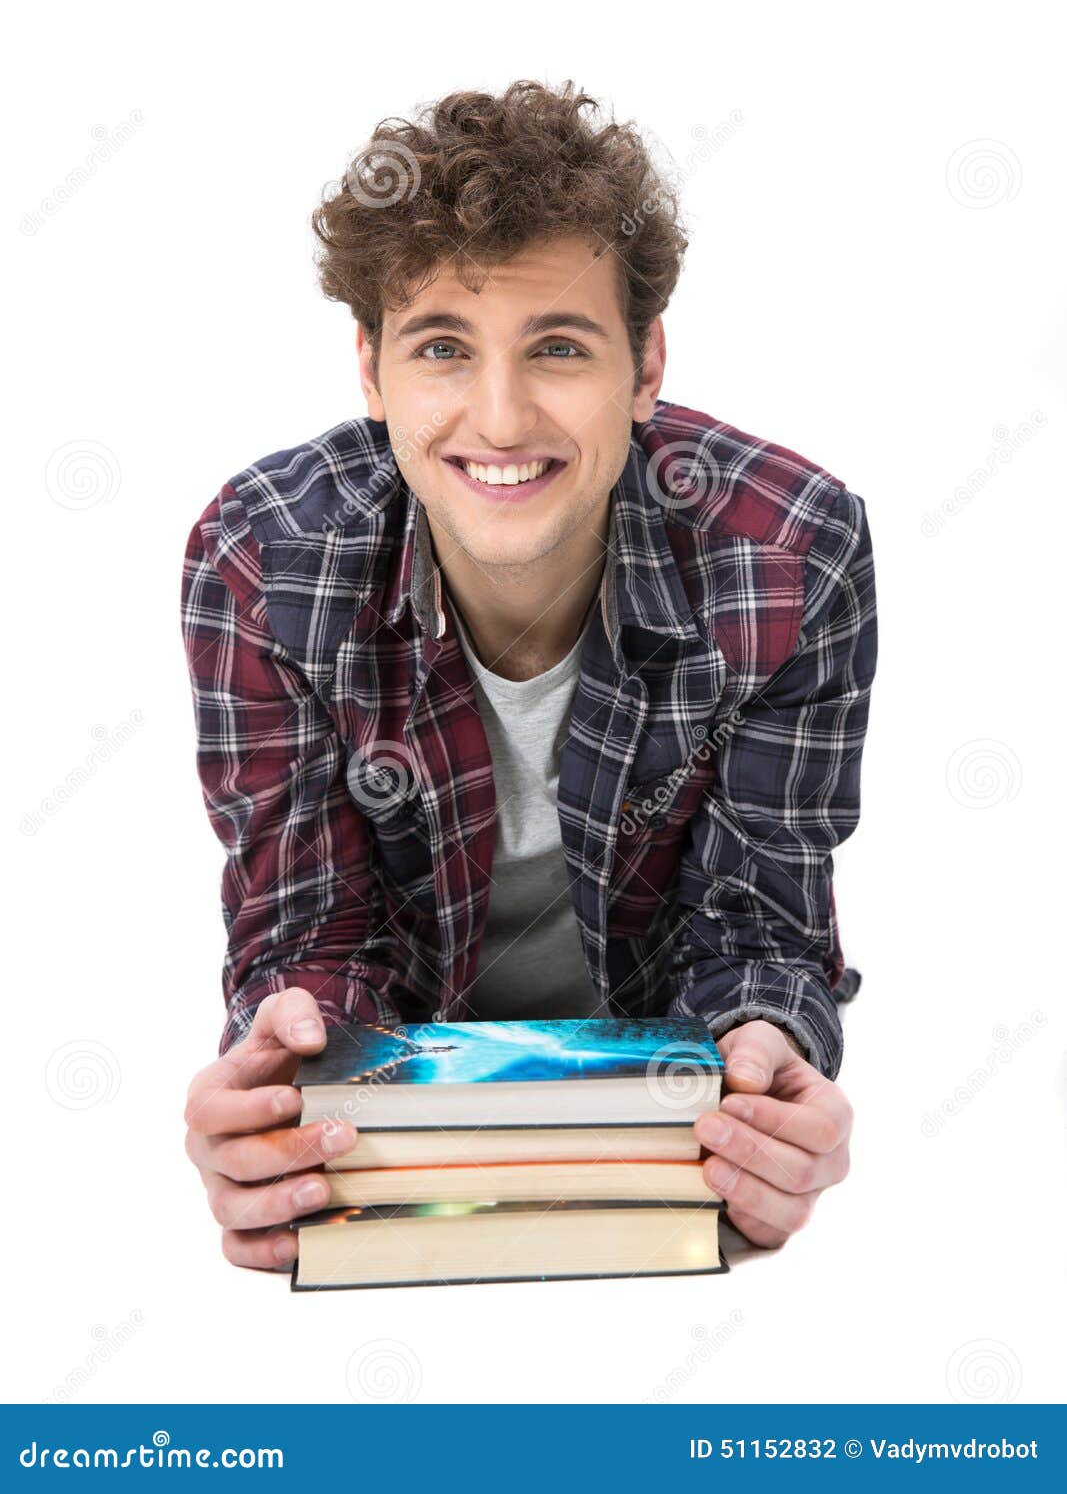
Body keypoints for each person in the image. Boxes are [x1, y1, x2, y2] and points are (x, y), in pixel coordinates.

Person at [181, 81, 877, 1270]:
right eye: (442, 347)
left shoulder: (787, 552)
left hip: (658, 1114)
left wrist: (767, 1064)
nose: (499, 418)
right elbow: (310, 931)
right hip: (404, 1124)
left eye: (557, 346)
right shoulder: (261, 561)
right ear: (371, 371)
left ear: (644, 364)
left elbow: (756, 924)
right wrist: (280, 1078)